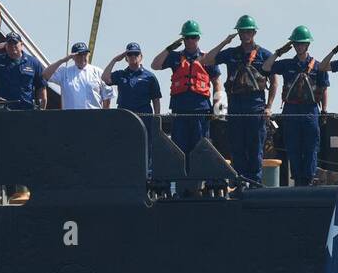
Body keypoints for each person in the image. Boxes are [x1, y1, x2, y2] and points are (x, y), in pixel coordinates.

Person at [204, 15, 276, 188]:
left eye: (248, 31)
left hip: (255, 107)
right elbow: (207, 60)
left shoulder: (264, 55)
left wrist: (269, 107)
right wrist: (225, 42)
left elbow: (274, 82)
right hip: (236, 107)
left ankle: (255, 186)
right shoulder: (231, 54)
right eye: (242, 32)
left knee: (254, 149)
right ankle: (240, 185)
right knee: (237, 148)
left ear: (254, 32)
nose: (245, 35)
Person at [264, 25, 328, 185]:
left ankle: (309, 177)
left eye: (302, 43)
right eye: (296, 43)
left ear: (307, 45)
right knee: (293, 146)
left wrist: (324, 110)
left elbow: (324, 89)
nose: (299, 46)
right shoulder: (286, 64)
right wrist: (279, 52)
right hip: (291, 110)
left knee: (311, 146)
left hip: (310, 110)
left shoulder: (318, 66)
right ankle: (298, 179)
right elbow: (265, 67)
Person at [152, 20, 223, 162]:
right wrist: (169, 48)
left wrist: (218, 107)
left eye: (193, 37)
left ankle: (201, 182)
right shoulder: (175, 57)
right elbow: (155, 65)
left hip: (201, 111)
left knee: (201, 148)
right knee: (180, 149)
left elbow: (217, 83)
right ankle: (183, 182)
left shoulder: (206, 58)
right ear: (183, 39)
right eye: (187, 37)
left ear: (198, 38)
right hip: (180, 110)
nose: (190, 40)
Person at [103, 42, 163, 184]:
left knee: (146, 147)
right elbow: (105, 78)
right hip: (125, 118)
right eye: (129, 54)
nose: (133, 57)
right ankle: (124, 176)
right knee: (125, 146)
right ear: (126, 57)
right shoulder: (121, 74)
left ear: (141, 56)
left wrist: (157, 117)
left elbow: (156, 99)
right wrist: (114, 60)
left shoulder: (149, 76)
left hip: (144, 118)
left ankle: (147, 178)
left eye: (135, 54)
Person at [0, 33, 46, 111]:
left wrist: (42, 108)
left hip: (26, 110)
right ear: (5, 46)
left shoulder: (33, 63)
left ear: (22, 45)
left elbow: (41, 86)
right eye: (9, 44)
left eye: (15, 43)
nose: (12, 46)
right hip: (3, 111)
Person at [44, 42, 113, 110]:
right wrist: (62, 60)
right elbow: (45, 75)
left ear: (88, 55)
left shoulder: (98, 72)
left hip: (93, 117)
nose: (83, 57)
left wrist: (104, 118)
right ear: (73, 57)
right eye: (79, 55)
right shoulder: (65, 72)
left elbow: (107, 98)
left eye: (85, 54)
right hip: (71, 117)